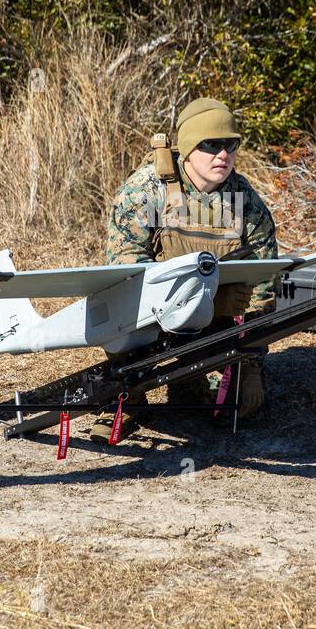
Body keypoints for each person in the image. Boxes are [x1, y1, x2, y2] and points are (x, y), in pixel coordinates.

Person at [94, 97, 278, 441]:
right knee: (118, 321)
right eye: (211, 145)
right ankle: (126, 394)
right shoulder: (146, 193)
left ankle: (195, 376)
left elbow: (264, 285)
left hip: (213, 323)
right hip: (147, 320)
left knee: (235, 405)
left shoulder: (246, 202)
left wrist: (251, 361)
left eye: (231, 144)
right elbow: (124, 279)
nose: (223, 155)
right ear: (189, 149)